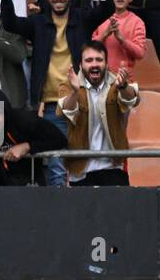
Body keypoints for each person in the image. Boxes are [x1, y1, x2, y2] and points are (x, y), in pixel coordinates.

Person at [59, 40, 140, 187]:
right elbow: (67, 111)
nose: (94, 64)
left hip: (113, 167)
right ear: (81, 65)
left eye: (99, 60)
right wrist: (75, 92)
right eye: (89, 60)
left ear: (106, 64)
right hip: (81, 170)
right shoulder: (69, 85)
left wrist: (123, 86)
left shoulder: (118, 82)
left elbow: (132, 99)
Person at [90, 0, 148, 76]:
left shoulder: (137, 22)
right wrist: (104, 34)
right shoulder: (98, 17)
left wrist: (122, 39)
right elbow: (88, 47)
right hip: (97, 77)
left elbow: (140, 53)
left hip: (123, 79)